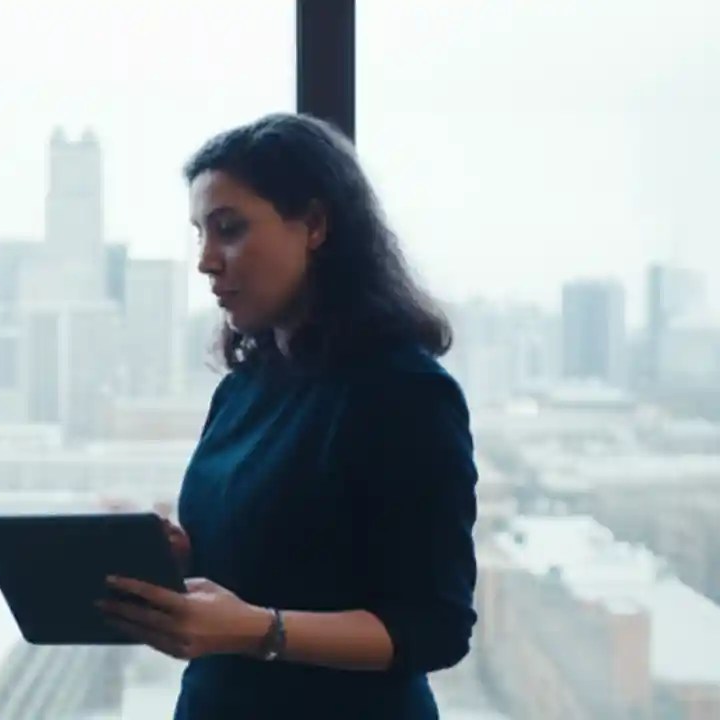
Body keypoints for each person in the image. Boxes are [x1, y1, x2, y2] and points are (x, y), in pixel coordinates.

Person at [99, 113, 478, 719]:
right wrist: (179, 560)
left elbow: (435, 627)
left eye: (228, 229)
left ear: (316, 225)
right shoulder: (245, 388)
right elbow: (279, 561)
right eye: (199, 232)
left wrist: (259, 631)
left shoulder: (403, 394)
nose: (205, 261)